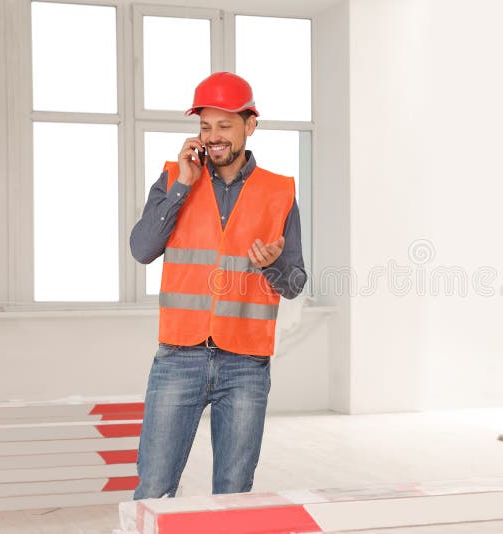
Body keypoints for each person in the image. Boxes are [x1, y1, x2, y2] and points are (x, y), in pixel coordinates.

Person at [130, 72, 307, 499]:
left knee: (233, 493)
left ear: (250, 125)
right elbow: (142, 249)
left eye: (225, 125)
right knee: (154, 488)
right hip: (179, 357)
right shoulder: (173, 179)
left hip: (245, 363)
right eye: (206, 126)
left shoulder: (279, 192)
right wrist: (182, 186)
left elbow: (295, 282)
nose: (213, 137)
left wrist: (273, 264)